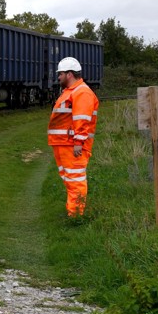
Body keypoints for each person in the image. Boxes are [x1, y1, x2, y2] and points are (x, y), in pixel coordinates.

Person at [47, 57, 99, 218]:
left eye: (60, 74)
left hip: (72, 145)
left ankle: (75, 216)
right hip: (64, 143)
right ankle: (73, 213)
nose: (58, 77)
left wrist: (78, 142)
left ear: (69, 74)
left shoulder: (81, 92)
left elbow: (82, 119)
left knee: (75, 180)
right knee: (70, 180)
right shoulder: (71, 92)